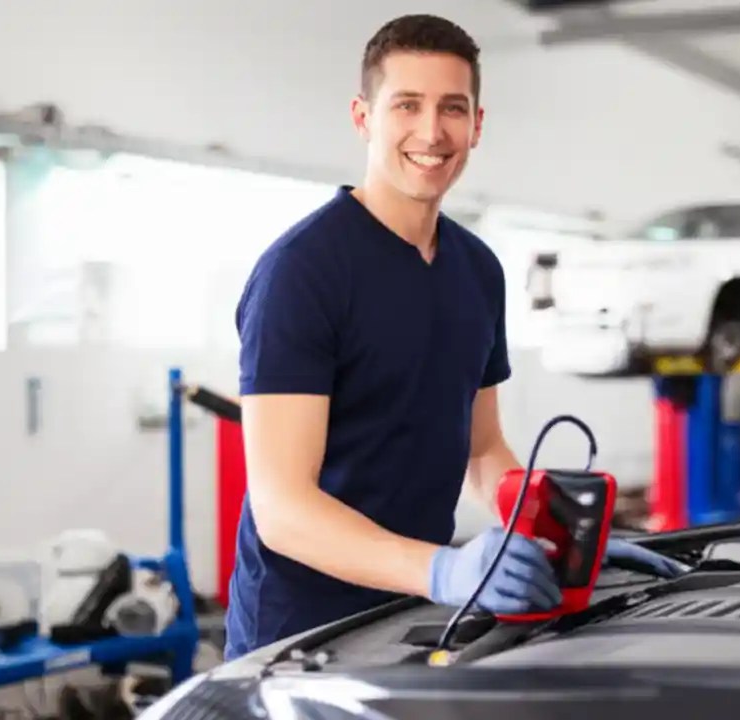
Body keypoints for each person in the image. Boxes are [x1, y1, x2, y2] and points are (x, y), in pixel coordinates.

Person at [224, 13, 684, 661]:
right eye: (406, 105)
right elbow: (284, 510)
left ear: (477, 124)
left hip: (411, 613)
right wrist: (443, 569)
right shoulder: (303, 271)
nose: (432, 131)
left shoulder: (478, 269)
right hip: (298, 636)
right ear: (363, 117)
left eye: (452, 108)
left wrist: (561, 538)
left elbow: (483, 449)